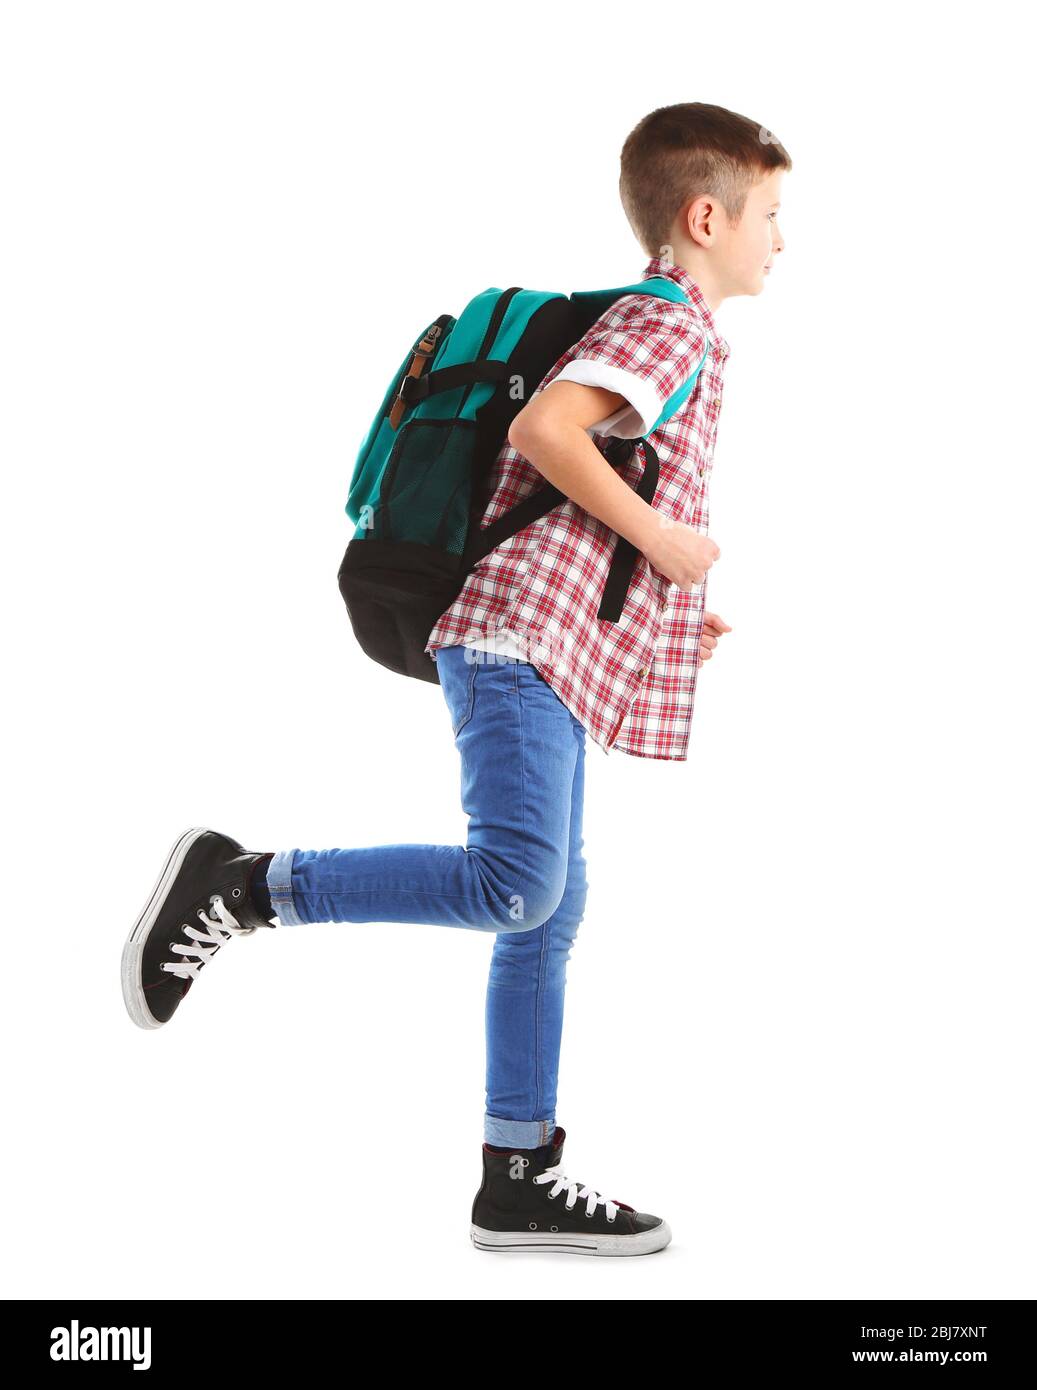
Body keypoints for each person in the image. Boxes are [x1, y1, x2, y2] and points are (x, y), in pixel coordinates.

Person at [121, 102, 790, 1257]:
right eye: (772, 215)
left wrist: (671, 589)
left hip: (551, 646)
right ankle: (243, 885)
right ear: (704, 216)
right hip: (515, 641)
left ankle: (516, 1172)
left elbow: (584, 490)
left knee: (547, 908)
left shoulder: (670, 327)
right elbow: (546, 435)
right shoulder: (668, 322)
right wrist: (669, 545)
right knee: (514, 886)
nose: (782, 240)